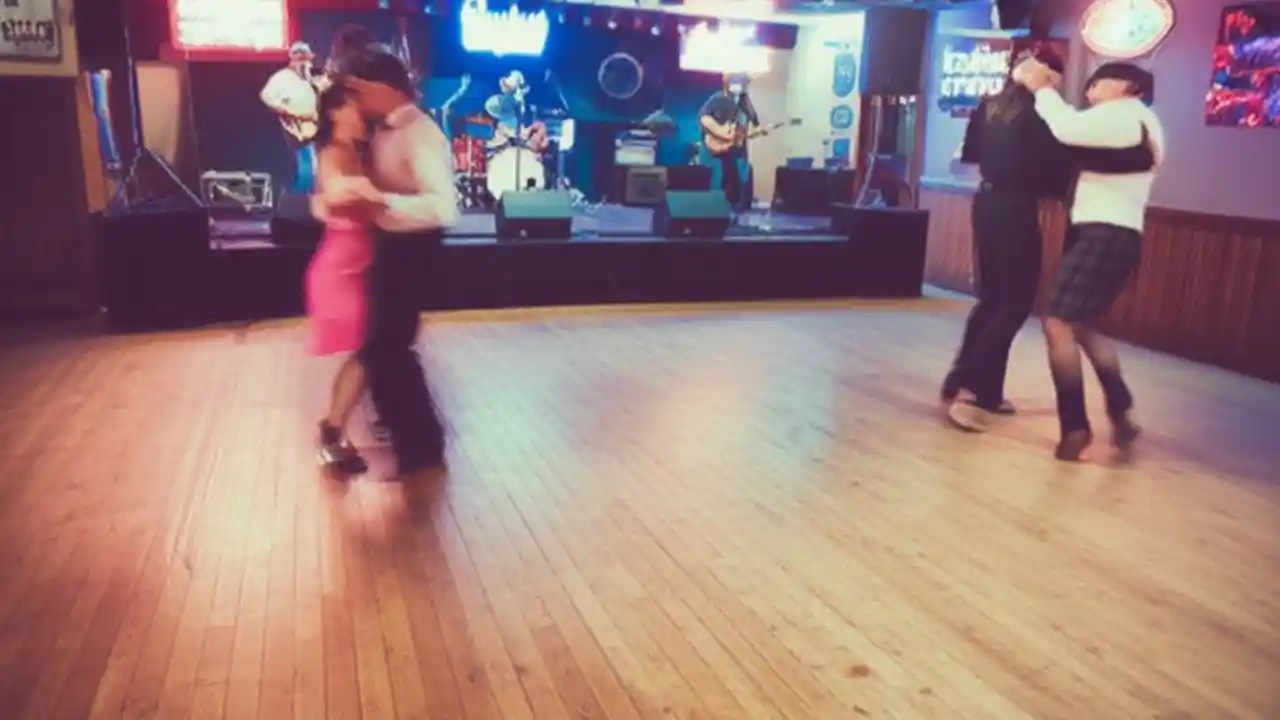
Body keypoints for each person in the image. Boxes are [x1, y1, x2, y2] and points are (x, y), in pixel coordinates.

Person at [1017, 60, 1164, 461]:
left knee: (1057, 324)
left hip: (1104, 232)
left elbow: (1067, 128)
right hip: (1114, 233)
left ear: (1126, 86)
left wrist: (1040, 87)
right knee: (1080, 325)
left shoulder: (1126, 116)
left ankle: (1075, 427)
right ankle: (1120, 409)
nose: (1089, 91)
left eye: (1097, 83)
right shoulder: (1138, 123)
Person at [339, 48, 459, 473]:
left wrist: (379, 198)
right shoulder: (382, 131)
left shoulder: (422, 134)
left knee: (390, 348)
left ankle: (423, 448)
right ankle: (412, 442)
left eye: (357, 89)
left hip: (415, 249)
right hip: (392, 247)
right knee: (383, 348)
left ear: (383, 87)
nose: (353, 98)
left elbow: (444, 209)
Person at [941, 49, 1070, 431]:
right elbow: (1055, 171)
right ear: (1048, 75)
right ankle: (980, 388)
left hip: (986, 202)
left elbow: (971, 154)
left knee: (993, 297)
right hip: (1017, 207)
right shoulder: (1045, 111)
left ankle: (965, 378)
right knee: (1014, 302)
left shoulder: (989, 106)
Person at [306, 84, 382, 474]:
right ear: (335, 112)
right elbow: (332, 192)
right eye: (353, 108)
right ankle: (333, 431)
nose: (361, 114)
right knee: (367, 352)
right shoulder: (331, 152)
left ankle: (334, 431)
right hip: (339, 269)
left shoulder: (359, 150)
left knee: (364, 353)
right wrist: (367, 190)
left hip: (359, 264)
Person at [260, 42, 323, 193]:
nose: (304, 63)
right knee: (306, 168)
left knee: (314, 169)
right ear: (292, 59)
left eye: (306, 59)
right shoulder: (282, 77)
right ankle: (298, 201)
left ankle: (304, 199)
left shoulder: (310, 79)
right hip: (297, 131)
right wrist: (288, 111)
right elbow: (266, 96)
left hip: (314, 130)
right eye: (299, 59)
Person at [698, 74, 760, 213]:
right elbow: (705, 119)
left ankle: (737, 216)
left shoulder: (745, 104)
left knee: (738, 187)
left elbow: (753, 124)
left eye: (743, 83)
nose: (740, 86)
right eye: (737, 82)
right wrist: (722, 134)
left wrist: (754, 131)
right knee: (717, 186)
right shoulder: (718, 99)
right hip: (716, 157)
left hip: (737, 155)